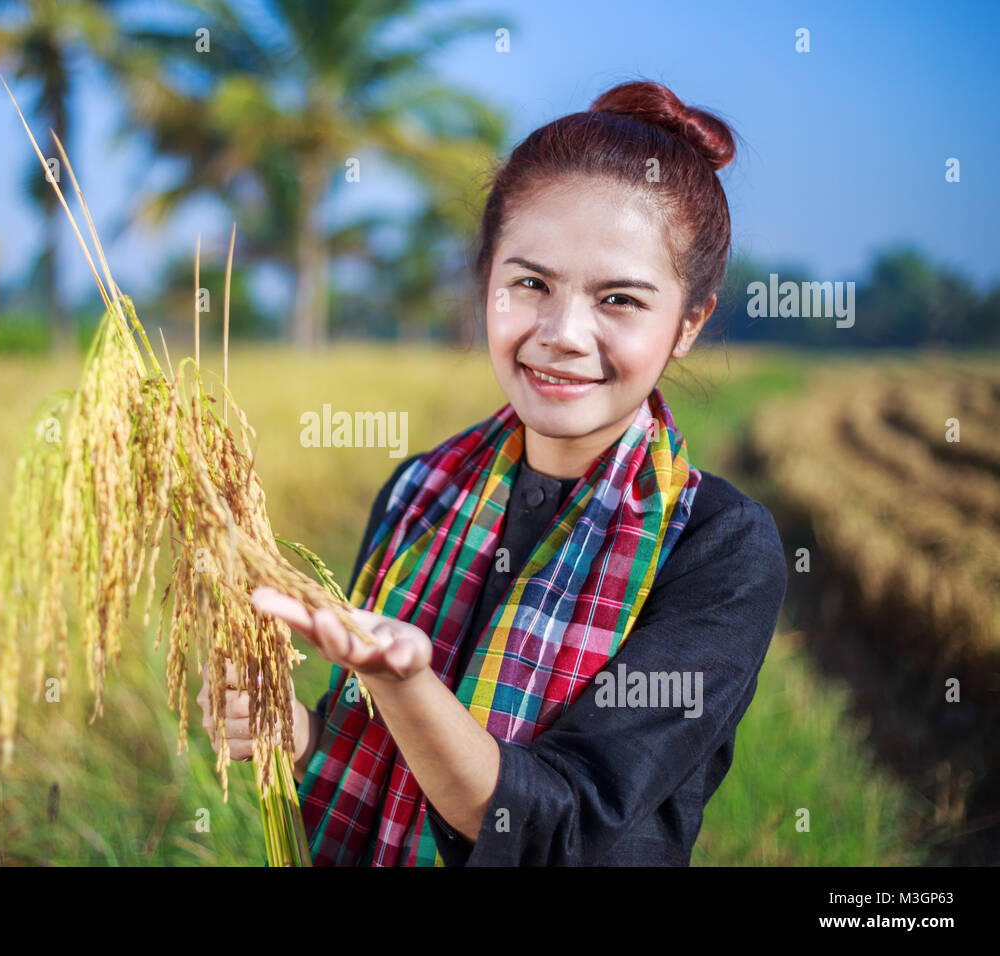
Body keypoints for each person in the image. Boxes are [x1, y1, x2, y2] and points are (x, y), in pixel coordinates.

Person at [201, 79, 788, 866]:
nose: (563, 334)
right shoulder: (420, 492)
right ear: (487, 280)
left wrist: (408, 686)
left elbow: (563, 825)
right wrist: (290, 730)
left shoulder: (718, 546)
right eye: (531, 283)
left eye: (619, 300)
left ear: (688, 324)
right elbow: (371, 761)